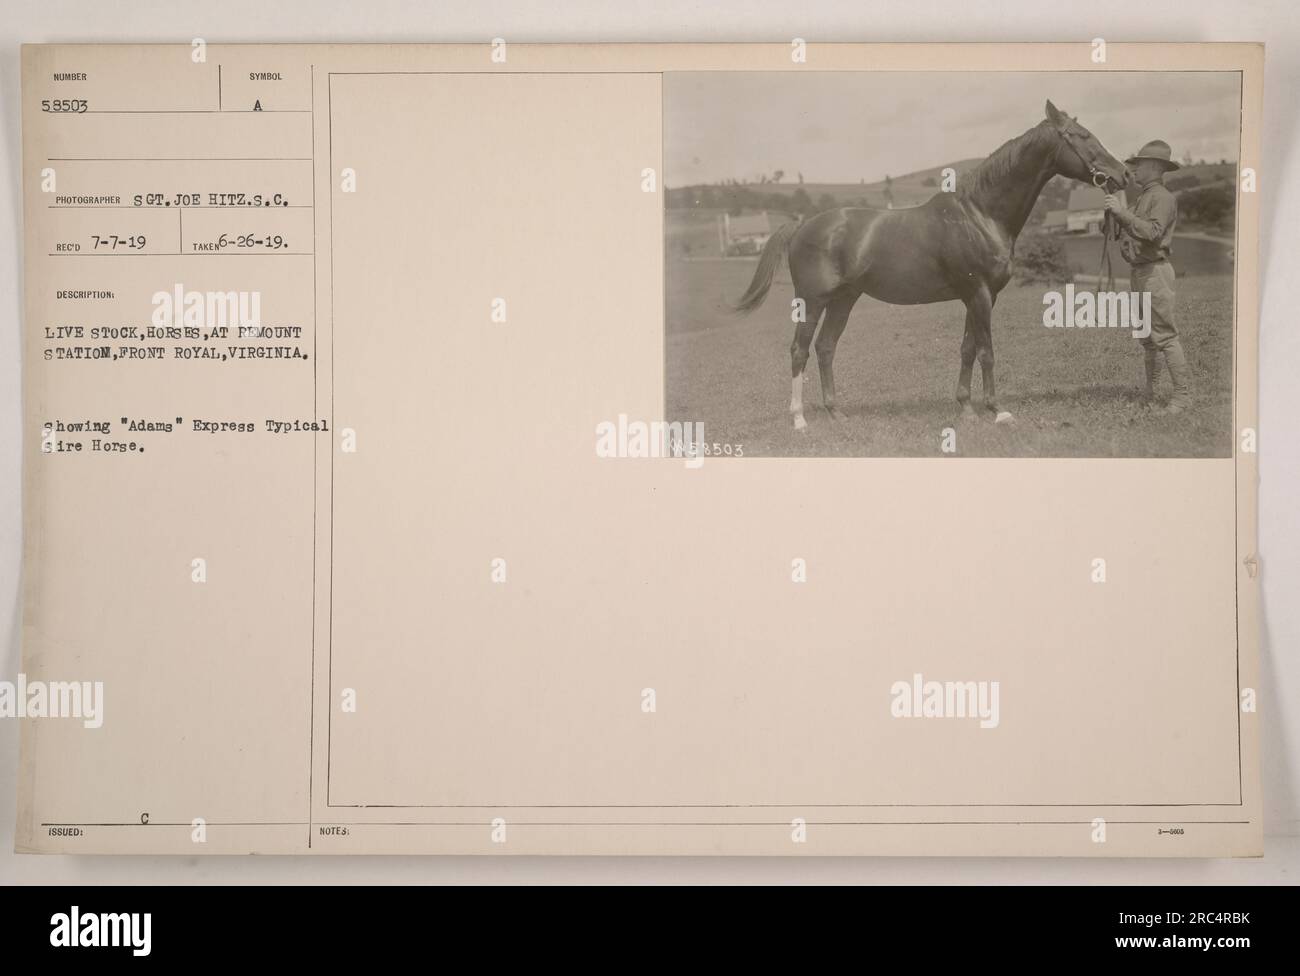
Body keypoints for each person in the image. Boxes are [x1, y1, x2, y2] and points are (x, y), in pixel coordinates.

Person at [1103, 139, 1190, 414]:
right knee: (1148, 338)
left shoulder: (1162, 198)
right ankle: (1151, 394)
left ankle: (1182, 397)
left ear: (1154, 167)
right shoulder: (1144, 197)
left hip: (1155, 271)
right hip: (1141, 271)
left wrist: (1123, 214)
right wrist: (1113, 215)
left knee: (1164, 336)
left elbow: (1152, 232)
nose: (1134, 171)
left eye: (1138, 165)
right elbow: (1127, 231)